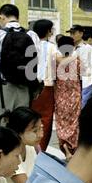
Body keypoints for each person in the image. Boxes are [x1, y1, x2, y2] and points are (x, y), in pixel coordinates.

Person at [0, 4, 36, 129]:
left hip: (4, 86)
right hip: (24, 86)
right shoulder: (31, 35)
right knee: (22, 124)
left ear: (1, 17)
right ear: (17, 17)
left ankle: (0, 148)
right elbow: (36, 63)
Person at [0, 107, 42, 183]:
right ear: (19, 132)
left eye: (41, 128)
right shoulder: (9, 153)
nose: (40, 135)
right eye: (35, 131)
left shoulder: (30, 148)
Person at [31, 20, 56, 151]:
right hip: (47, 86)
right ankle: (41, 148)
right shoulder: (51, 47)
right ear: (47, 31)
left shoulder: (30, 45)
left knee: (31, 118)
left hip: (32, 86)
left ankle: (31, 146)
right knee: (45, 120)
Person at [54, 36, 81, 155]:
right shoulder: (77, 61)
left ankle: (65, 148)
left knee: (61, 123)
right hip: (74, 97)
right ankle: (72, 148)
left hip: (60, 97)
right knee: (74, 124)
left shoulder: (55, 62)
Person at [66, 25, 92, 108]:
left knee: (83, 106)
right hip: (72, 82)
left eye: (73, 33)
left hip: (86, 82)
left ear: (81, 33)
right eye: (70, 34)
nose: (71, 36)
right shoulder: (69, 48)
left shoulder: (88, 48)